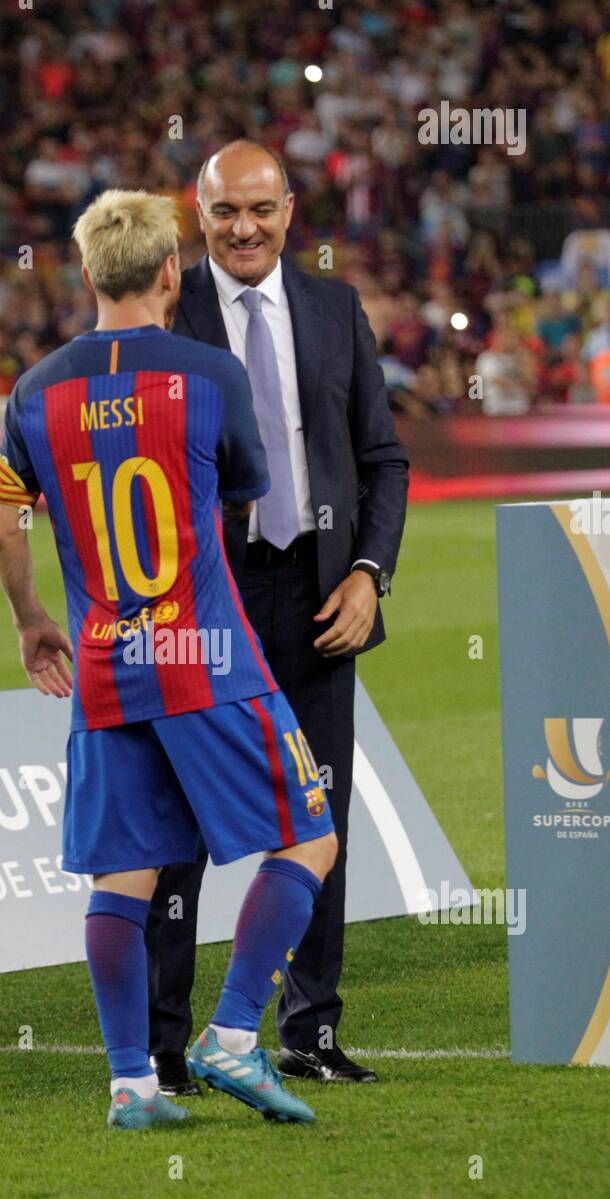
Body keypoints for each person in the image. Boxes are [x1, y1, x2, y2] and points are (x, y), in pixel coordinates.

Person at [0, 188, 338, 1130]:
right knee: (310, 832)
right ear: (170, 272)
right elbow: (248, 495)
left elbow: (2, 532)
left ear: (89, 273)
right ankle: (229, 1036)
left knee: (124, 874)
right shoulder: (208, 372)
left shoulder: (32, 391)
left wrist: (31, 624)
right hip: (205, 656)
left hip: (102, 662)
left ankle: (131, 1083)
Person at [145, 141, 409, 1096]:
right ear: (198, 215)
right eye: (225, 213)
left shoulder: (335, 309)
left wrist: (370, 572)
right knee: (177, 823)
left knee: (319, 815)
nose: (244, 228)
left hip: (320, 596)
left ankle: (311, 1030)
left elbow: (383, 458)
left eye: (261, 209)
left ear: (291, 210)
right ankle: (166, 1049)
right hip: (206, 603)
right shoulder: (166, 314)